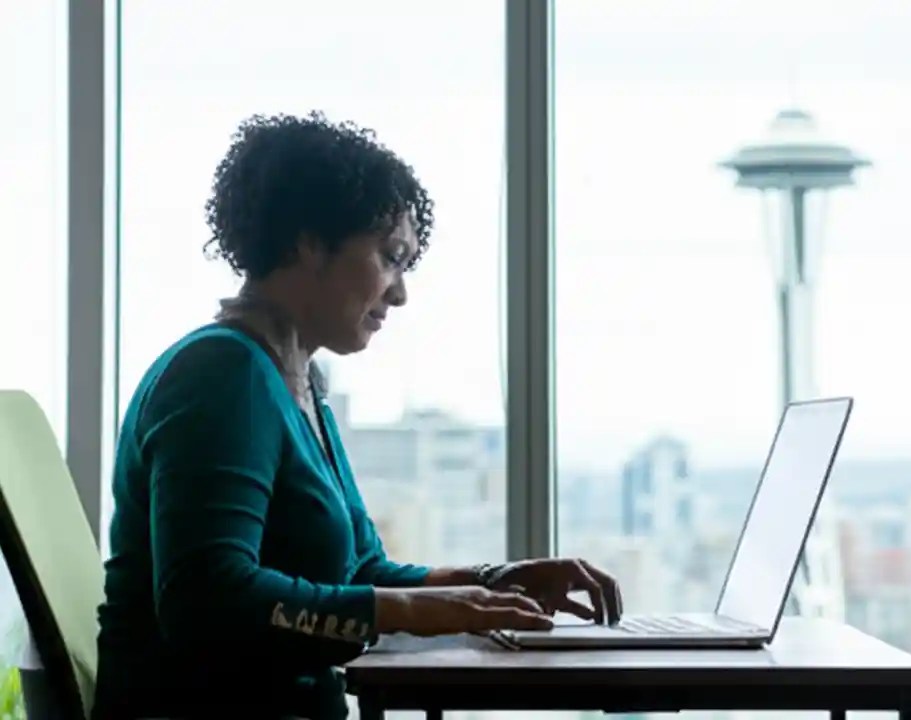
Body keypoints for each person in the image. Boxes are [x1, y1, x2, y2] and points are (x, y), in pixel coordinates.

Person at [92, 111, 623, 719]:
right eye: (390, 256)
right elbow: (206, 601)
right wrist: (421, 612)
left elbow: (359, 571)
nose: (399, 292)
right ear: (307, 243)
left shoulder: (297, 381)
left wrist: (492, 582)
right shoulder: (220, 376)